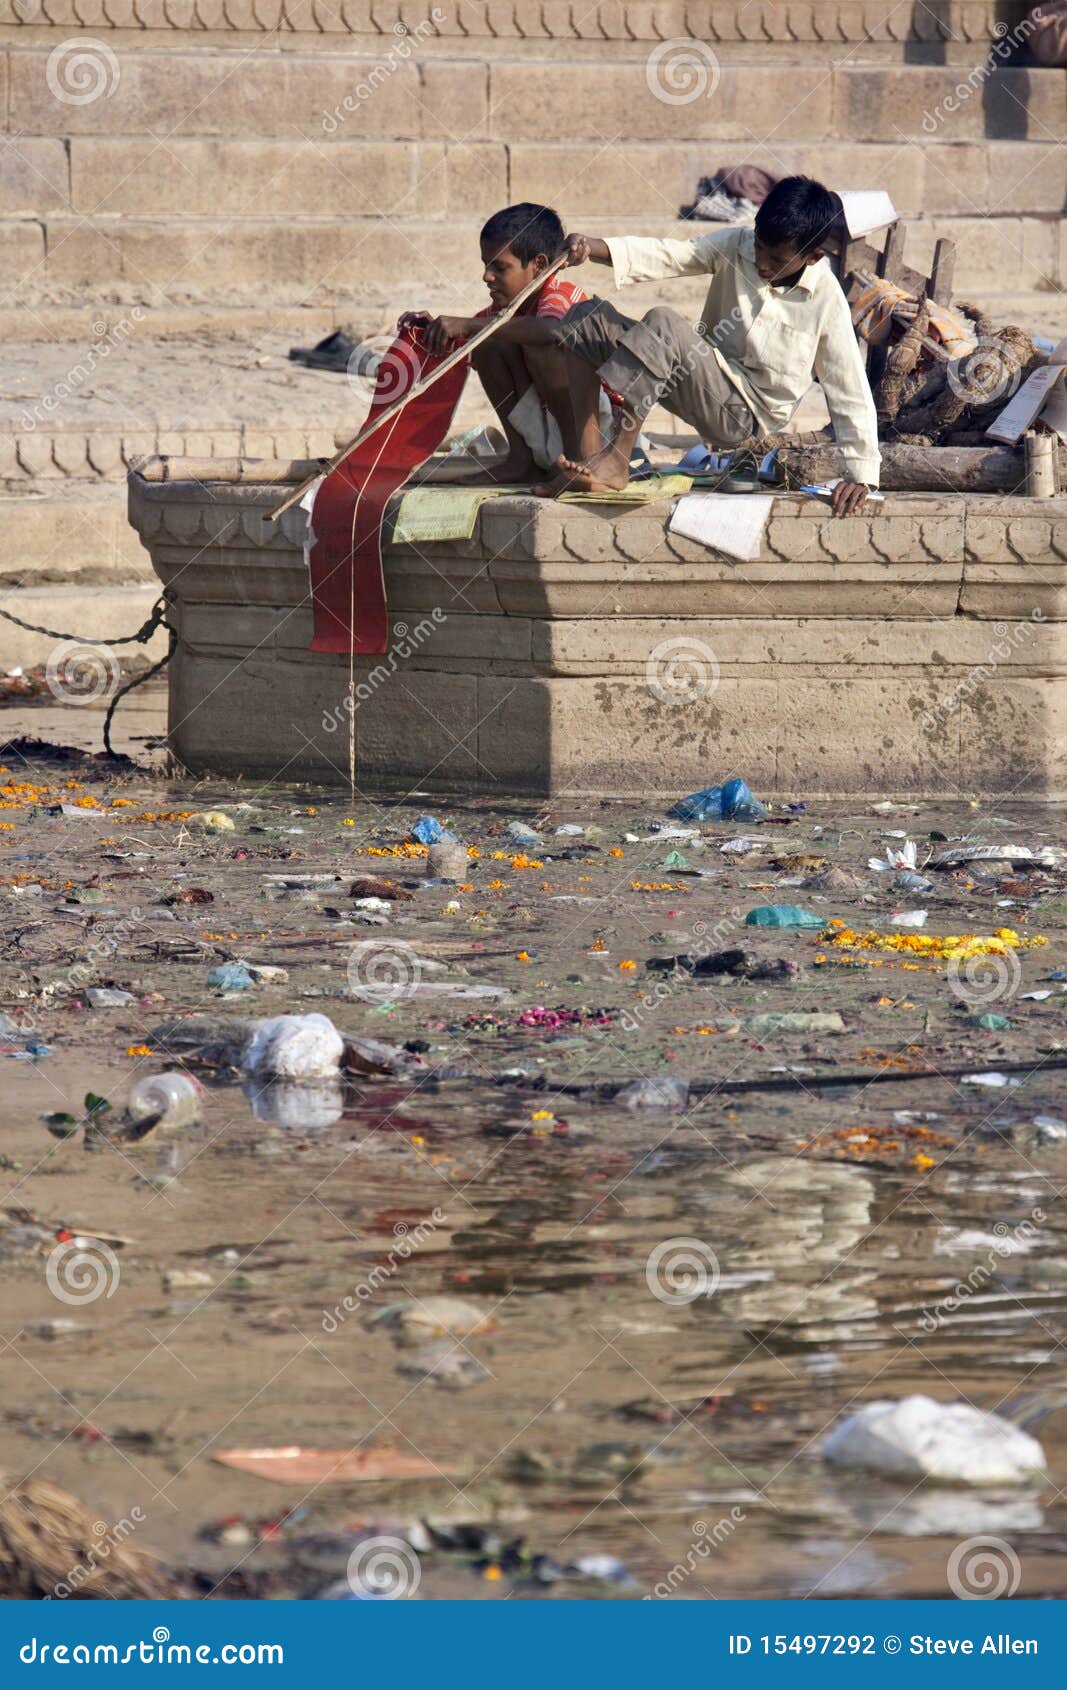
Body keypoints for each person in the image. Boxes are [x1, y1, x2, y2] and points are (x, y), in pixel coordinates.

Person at [537, 175, 880, 516]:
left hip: (744, 417)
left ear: (813, 257)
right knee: (584, 318)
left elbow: (848, 386)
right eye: (759, 247)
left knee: (664, 324)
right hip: (696, 379)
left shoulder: (826, 298)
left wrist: (861, 476)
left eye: (776, 260)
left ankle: (618, 460)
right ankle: (590, 457)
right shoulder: (738, 244)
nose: (761, 262)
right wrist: (594, 247)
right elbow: (673, 255)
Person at [399, 203, 621, 483]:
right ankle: (522, 460)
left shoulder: (561, 294)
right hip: (550, 435)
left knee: (543, 345)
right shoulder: (504, 310)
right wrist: (434, 328)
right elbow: (468, 341)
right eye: (485, 265)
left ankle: (581, 463)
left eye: (499, 267)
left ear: (538, 265)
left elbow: (553, 330)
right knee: (487, 343)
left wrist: (467, 325)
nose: (486, 276)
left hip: (598, 436)